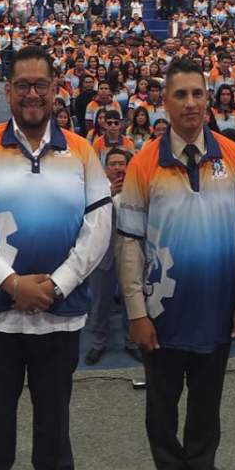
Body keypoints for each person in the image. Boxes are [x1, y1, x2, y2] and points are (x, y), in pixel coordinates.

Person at [0, 45, 110, 470]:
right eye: (22, 85)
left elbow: (99, 225)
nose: (32, 94)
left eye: (41, 84)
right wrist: (9, 282)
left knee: (54, 406)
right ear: (8, 90)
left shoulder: (81, 150)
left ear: (56, 89)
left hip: (59, 311)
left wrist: (57, 286)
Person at [117, 56, 235, 470]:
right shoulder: (143, 164)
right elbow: (129, 243)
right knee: (162, 400)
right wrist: (137, 313)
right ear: (164, 103)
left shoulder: (233, 156)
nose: (191, 103)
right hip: (162, 311)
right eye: (181, 94)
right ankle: (167, 467)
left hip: (217, 306)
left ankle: (201, 461)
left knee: (207, 396)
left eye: (198, 93)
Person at [84, 146, 133, 365]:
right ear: (105, 169)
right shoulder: (95, 190)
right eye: (113, 164)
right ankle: (97, 343)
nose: (117, 168)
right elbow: (85, 216)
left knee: (131, 301)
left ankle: (132, 341)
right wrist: (109, 194)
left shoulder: (137, 188)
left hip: (131, 255)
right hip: (102, 255)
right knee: (100, 302)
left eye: (121, 164)